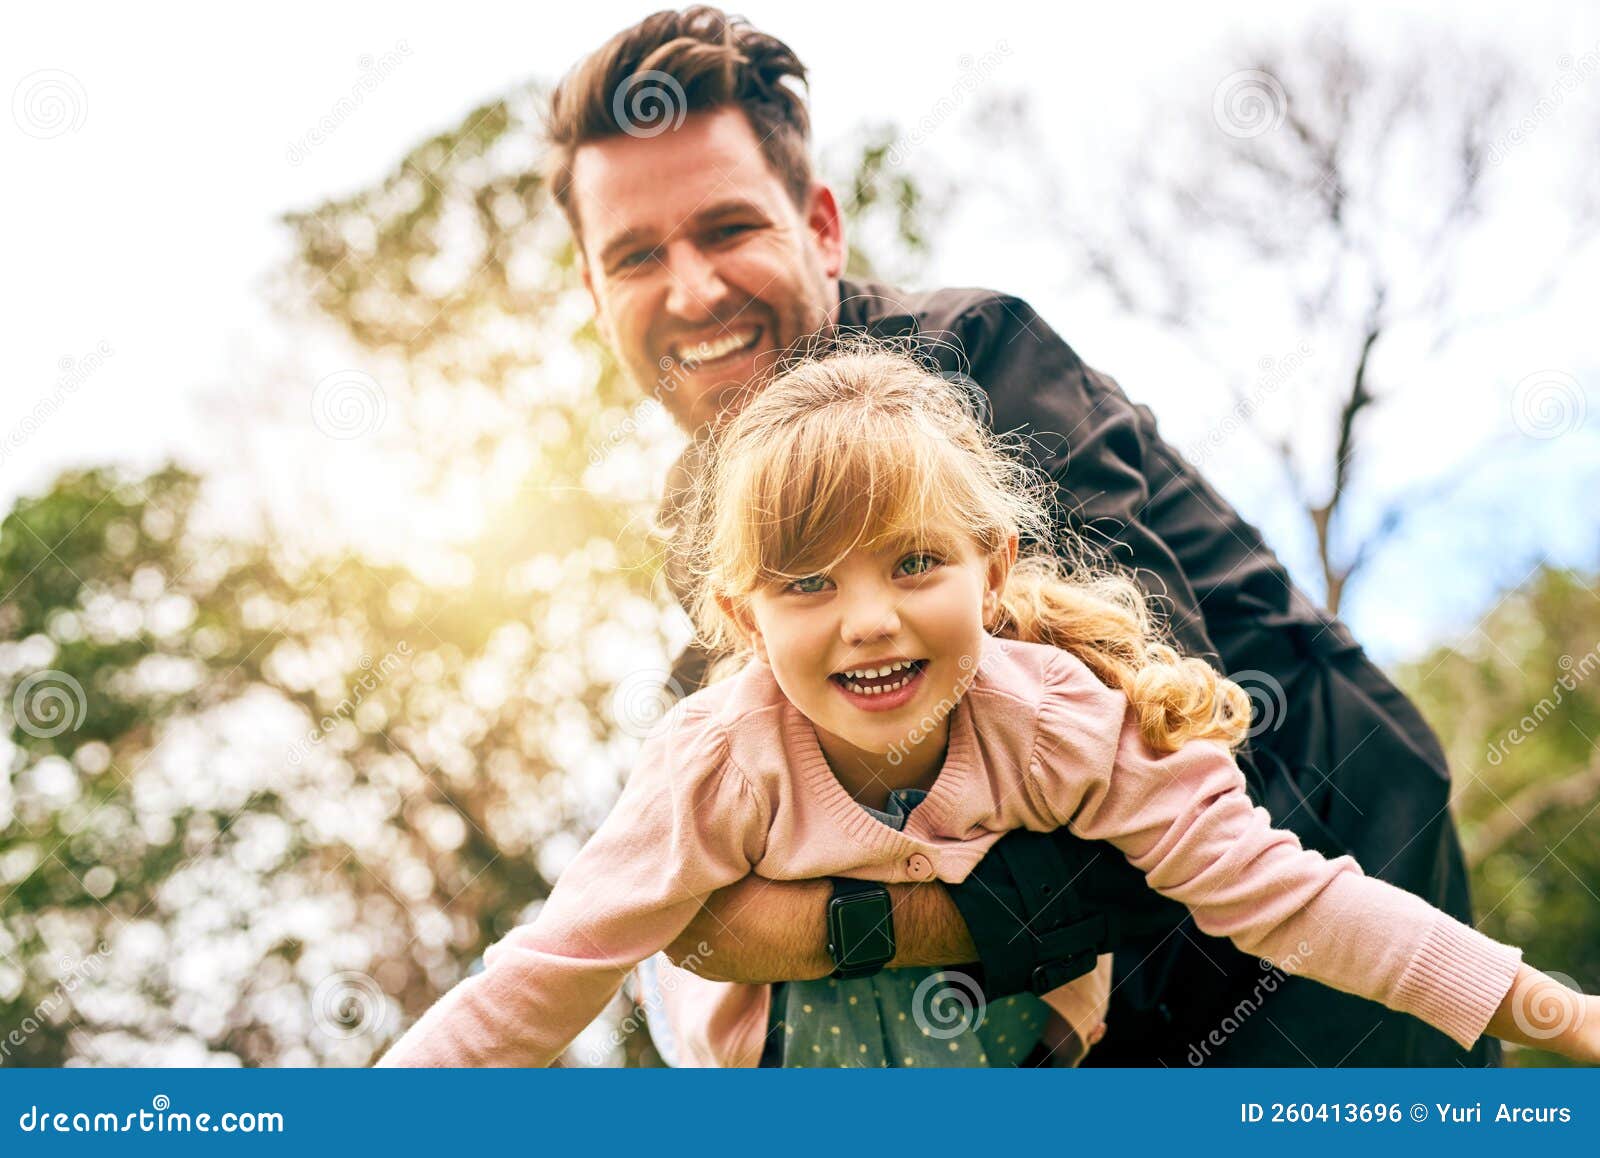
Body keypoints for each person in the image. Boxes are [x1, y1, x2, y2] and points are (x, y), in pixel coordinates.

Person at [539, 6, 1500, 1066]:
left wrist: (835, 927)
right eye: (634, 256)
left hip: (1327, 893)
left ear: (819, 225)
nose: (693, 289)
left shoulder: (969, 365)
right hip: (1086, 1020)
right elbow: (707, 889)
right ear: (593, 290)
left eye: (726, 229)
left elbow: (1154, 747)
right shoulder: (703, 517)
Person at [376, 346, 1599, 1069]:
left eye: (913, 565)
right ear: (747, 624)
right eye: (809, 584)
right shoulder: (720, 761)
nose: (868, 620)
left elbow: (1291, 897)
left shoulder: (1059, 721)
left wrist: (1555, 1013)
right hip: (777, 1070)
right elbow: (549, 969)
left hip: (1008, 1063)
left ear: (992, 572)